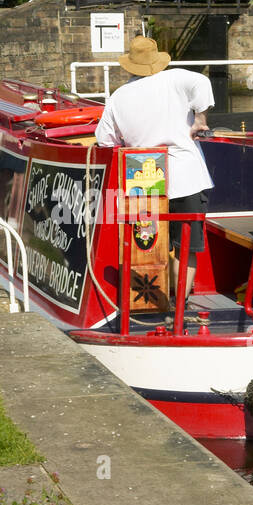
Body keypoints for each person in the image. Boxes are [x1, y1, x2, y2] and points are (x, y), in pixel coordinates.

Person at [94, 34, 214, 309]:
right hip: (186, 176)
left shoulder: (118, 97)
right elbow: (203, 82)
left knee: (146, 244)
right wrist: (200, 120)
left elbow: (105, 141)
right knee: (186, 248)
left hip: (144, 180)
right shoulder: (176, 79)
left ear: (130, 65)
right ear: (158, 59)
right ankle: (179, 307)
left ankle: (147, 303)